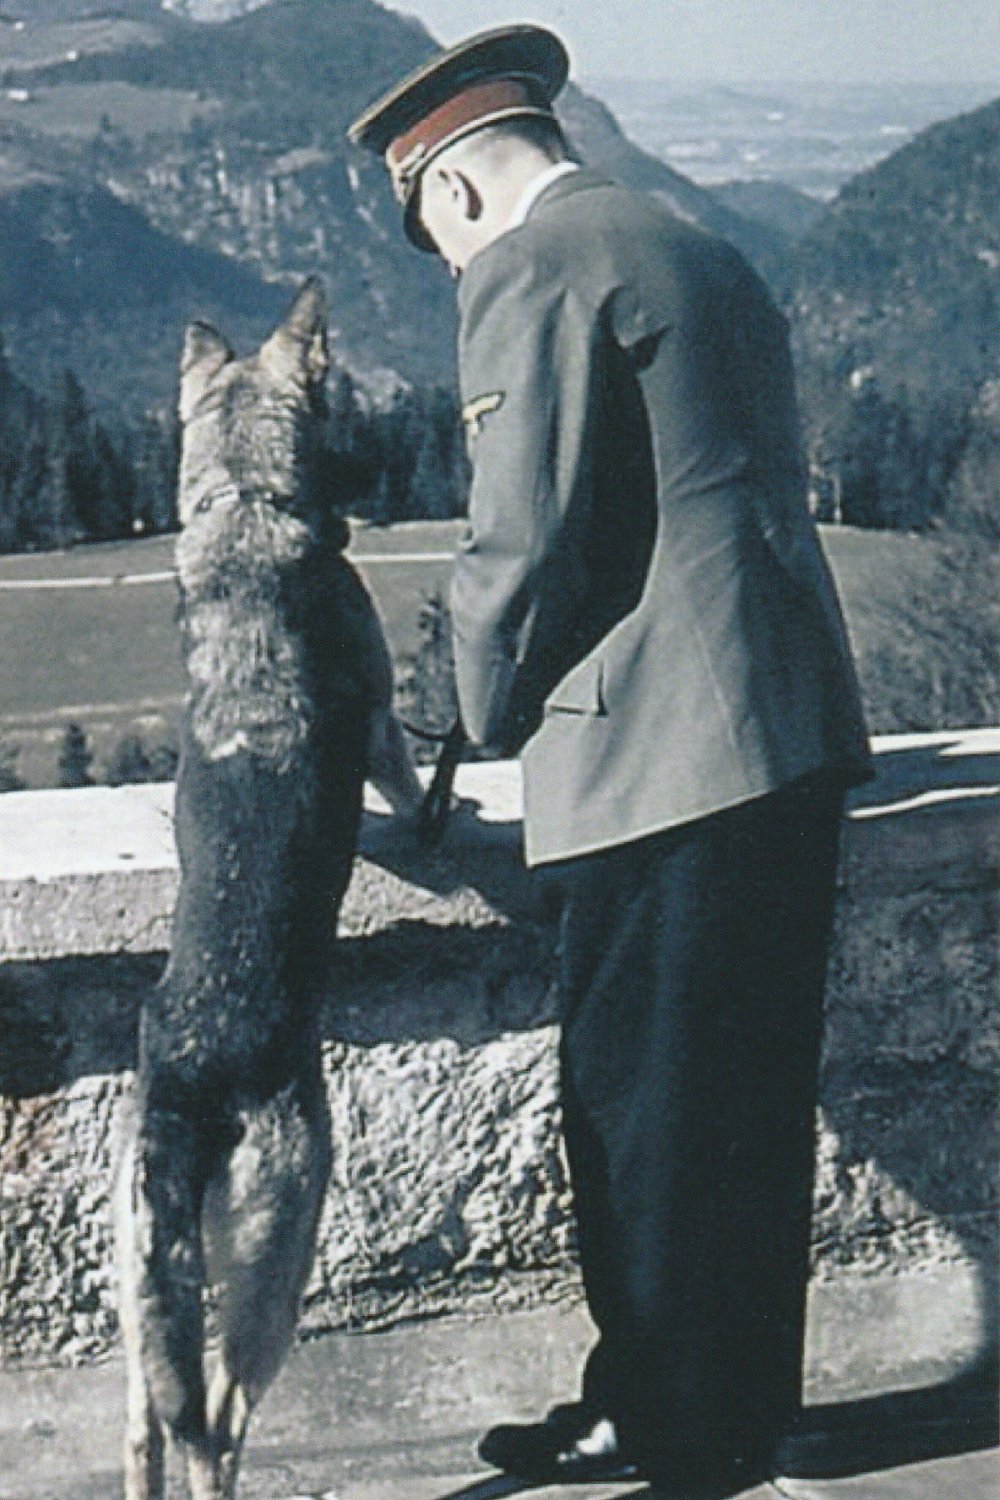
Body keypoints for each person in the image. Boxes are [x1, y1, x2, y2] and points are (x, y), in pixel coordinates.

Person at [348, 26, 872, 1495]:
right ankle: (719, 1410)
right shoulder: (695, 243)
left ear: (452, 190)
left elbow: (522, 540)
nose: (451, 266)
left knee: (639, 1117)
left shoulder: (529, 265)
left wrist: (466, 714)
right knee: (745, 1109)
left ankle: (675, 1438)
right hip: (789, 729)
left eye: (436, 239)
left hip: (657, 752)